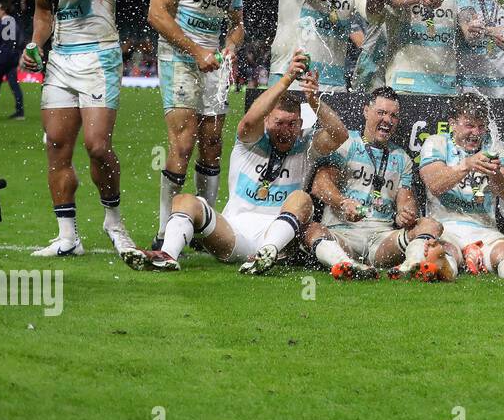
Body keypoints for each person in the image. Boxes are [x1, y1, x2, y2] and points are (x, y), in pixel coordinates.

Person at [125, 53, 348, 274]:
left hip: (278, 238)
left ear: (300, 124)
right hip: (232, 234)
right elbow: (249, 122)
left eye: (292, 124)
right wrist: (287, 79)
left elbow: (340, 135)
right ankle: (166, 256)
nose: (285, 131)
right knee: (184, 201)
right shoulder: (249, 141)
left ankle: (266, 253)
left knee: (302, 199)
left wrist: (314, 102)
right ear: (267, 119)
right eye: (278, 122)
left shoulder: (306, 146)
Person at [14, 0, 134, 256]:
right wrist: (35, 43)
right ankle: (68, 238)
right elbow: (43, 11)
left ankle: (114, 222)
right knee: (56, 145)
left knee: (97, 146)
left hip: (98, 57)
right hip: (61, 60)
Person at [148, 0, 246, 236]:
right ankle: (165, 231)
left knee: (213, 143)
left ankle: (205, 229)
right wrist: (195, 51)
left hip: (213, 61)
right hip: (179, 57)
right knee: (184, 141)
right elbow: (156, 13)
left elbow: (237, 24)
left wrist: (231, 45)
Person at [303, 87, 450, 280]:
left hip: (381, 239)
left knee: (430, 226)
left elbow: (406, 201)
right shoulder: (347, 143)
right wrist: (344, 203)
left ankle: (410, 266)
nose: (387, 120)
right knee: (311, 229)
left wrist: (405, 214)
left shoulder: (401, 157)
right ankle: (346, 264)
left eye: (393, 116)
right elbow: (320, 185)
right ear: (366, 111)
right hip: (342, 234)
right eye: (381, 112)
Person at [418, 92, 504, 283]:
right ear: (453, 124)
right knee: (447, 250)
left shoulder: (494, 146)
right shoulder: (436, 142)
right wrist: (467, 165)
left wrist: (495, 174)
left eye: (481, 126)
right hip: (444, 227)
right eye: (470, 125)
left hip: (484, 228)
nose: (476, 132)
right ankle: (442, 266)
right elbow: (434, 184)